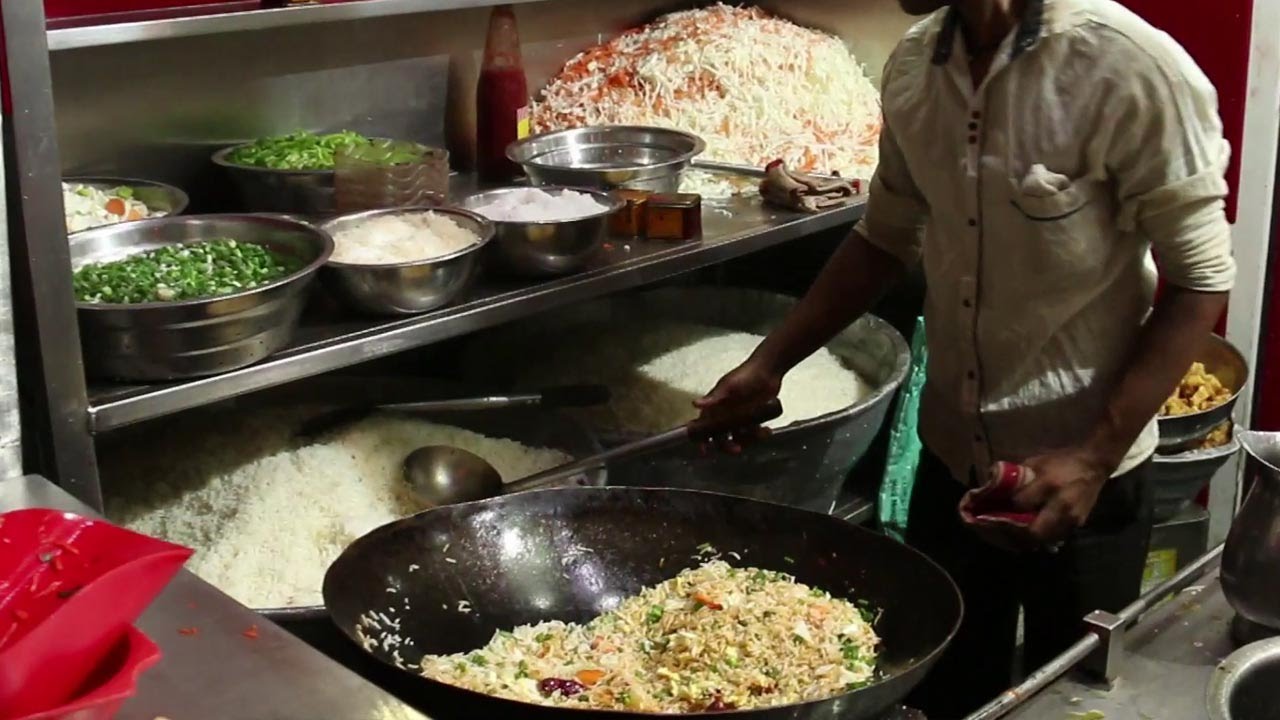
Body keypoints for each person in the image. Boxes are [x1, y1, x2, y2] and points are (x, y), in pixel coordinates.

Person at [695, 0, 1235, 716]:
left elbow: (1200, 279)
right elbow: (884, 236)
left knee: (1069, 702)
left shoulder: (1131, 69)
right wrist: (771, 363)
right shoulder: (918, 66)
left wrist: (1094, 455)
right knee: (944, 690)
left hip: (1083, 484)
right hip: (950, 465)